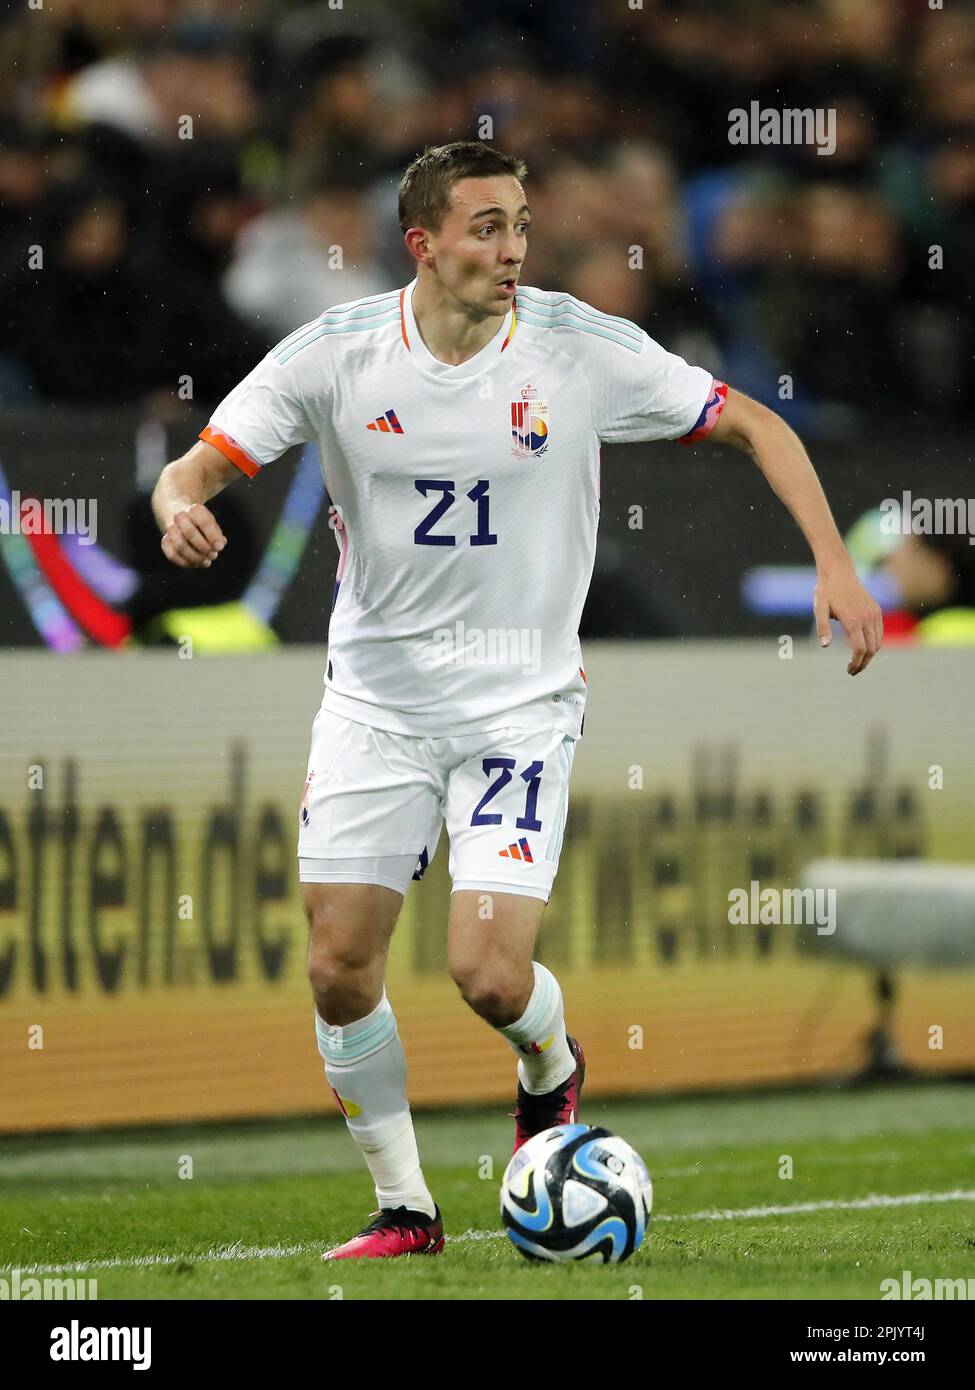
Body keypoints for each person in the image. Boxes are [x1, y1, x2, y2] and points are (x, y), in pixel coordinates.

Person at [151, 140, 883, 1261]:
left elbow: (755, 423)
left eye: (522, 224)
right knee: (338, 965)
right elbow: (194, 466)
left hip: (519, 710)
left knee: (489, 974)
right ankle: (406, 1209)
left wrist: (834, 562)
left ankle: (551, 1062)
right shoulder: (337, 355)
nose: (513, 248)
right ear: (424, 244)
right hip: (376, 706)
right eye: (488, 227)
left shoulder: (576, 348)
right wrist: (176, 504)